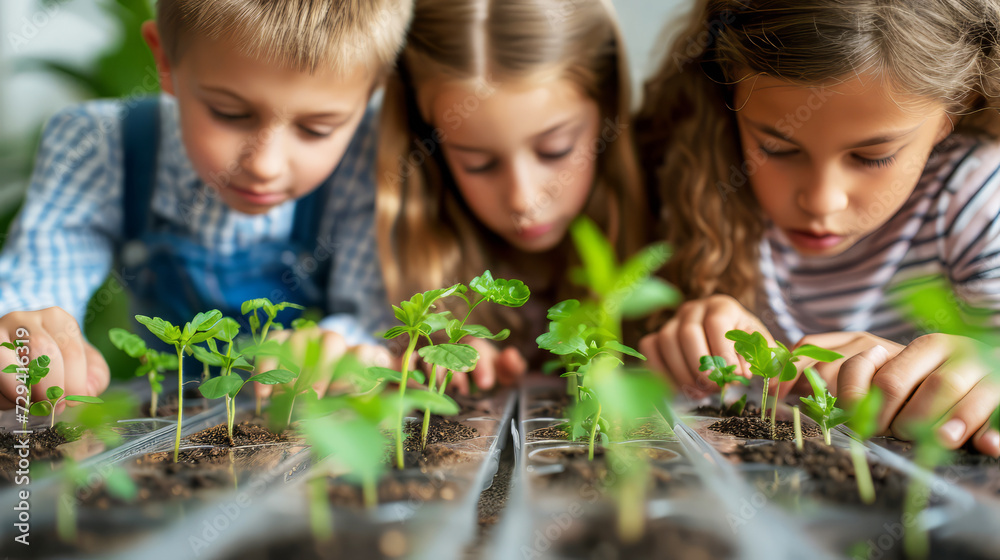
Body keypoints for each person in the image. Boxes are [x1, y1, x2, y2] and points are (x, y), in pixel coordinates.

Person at [0, 0, 413, 409]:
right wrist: (33, 337)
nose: (264, 165)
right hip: (167, 415)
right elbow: (36, 286)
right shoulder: (101, 145)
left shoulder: (370, 164)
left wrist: (341, 347)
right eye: (229, 113)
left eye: (316, 129)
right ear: (164, 59)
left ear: (376, 88)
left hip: (302, 419)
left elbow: (376, 321)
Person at [636, 0, 1000, 455]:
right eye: (778, 147)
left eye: (873, 157)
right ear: (730, 93)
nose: (822, 201)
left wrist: (977, 377)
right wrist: (686, 344)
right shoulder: (688, 178)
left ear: (957, 105)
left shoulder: (978, 201)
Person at [375, 0, 649, 394]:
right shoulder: (395, 240)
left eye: (555, 149)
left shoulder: (665, 213)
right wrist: (436, 355)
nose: (524, 199)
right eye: (479, 164)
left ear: (608, 112)